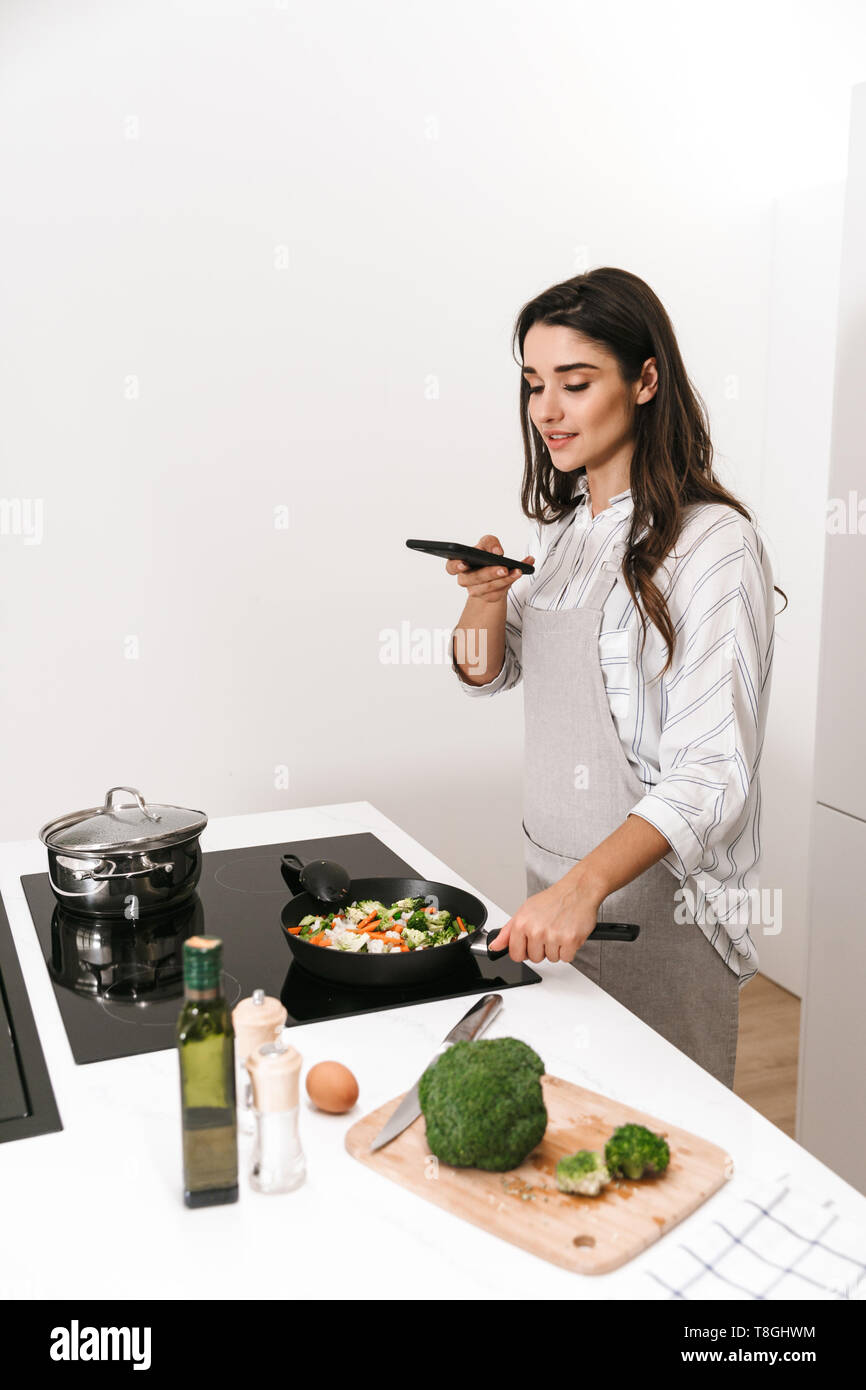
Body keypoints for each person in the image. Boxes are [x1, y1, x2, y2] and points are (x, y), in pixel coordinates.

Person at [448, 267, 785, 1089]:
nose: (547, 411)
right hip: (552, 896)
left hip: (654, 915)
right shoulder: (566, 534)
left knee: (672, 1149)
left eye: (575, 382)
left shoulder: (714, 545)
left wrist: (584, 887)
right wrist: (487, 599)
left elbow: (712, 777)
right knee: (575, 1137)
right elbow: (484, 673)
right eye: (534, 385)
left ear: (645, 380)